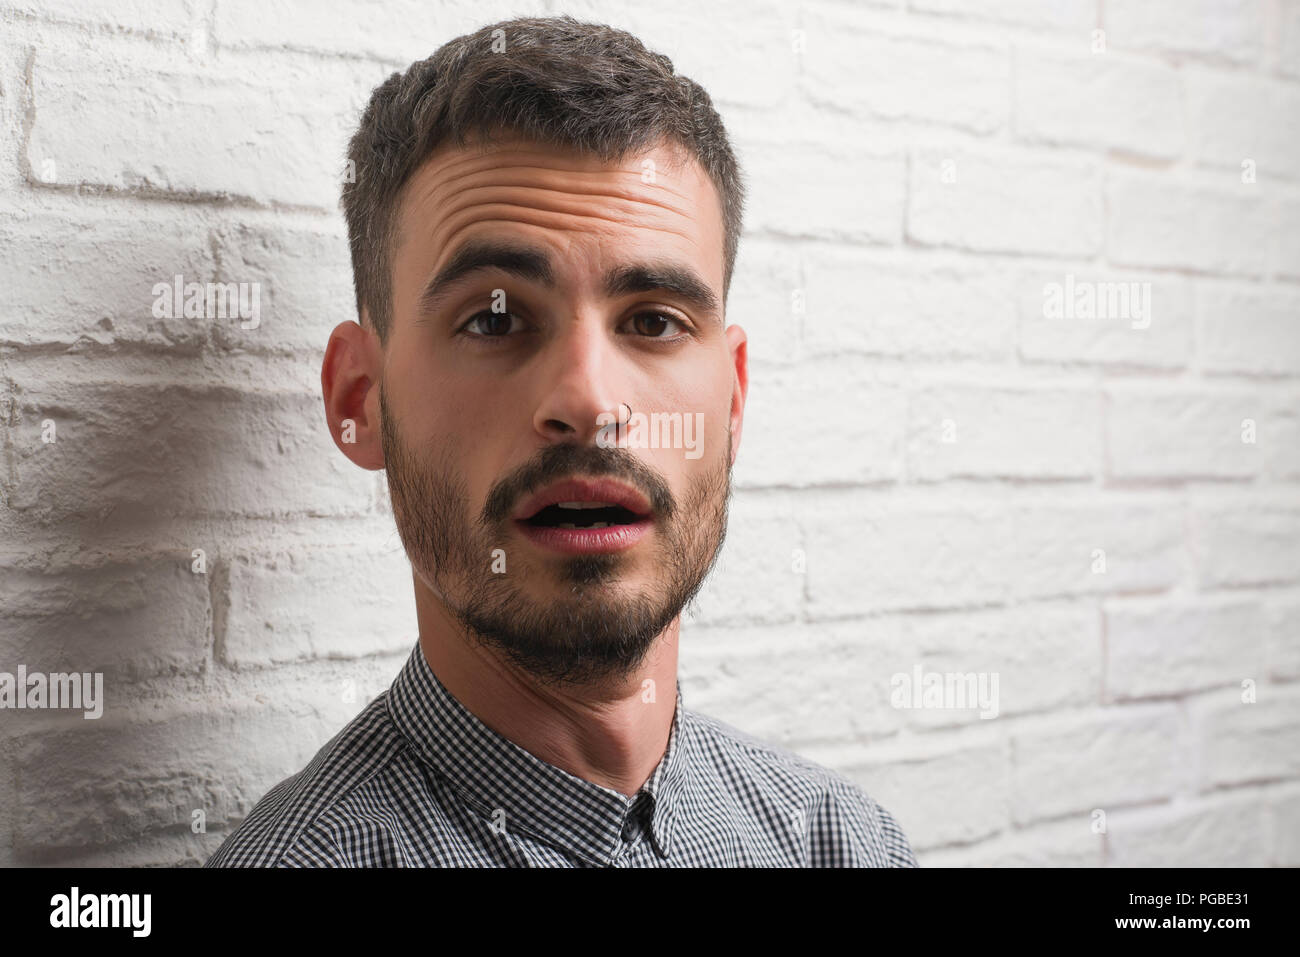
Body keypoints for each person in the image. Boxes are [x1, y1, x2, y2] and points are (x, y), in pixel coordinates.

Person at [205, 14, 916, 868]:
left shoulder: (841, 841)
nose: (589, 403)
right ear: (362, 399)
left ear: (732, 398)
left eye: (653, 321)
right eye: (494, 319)